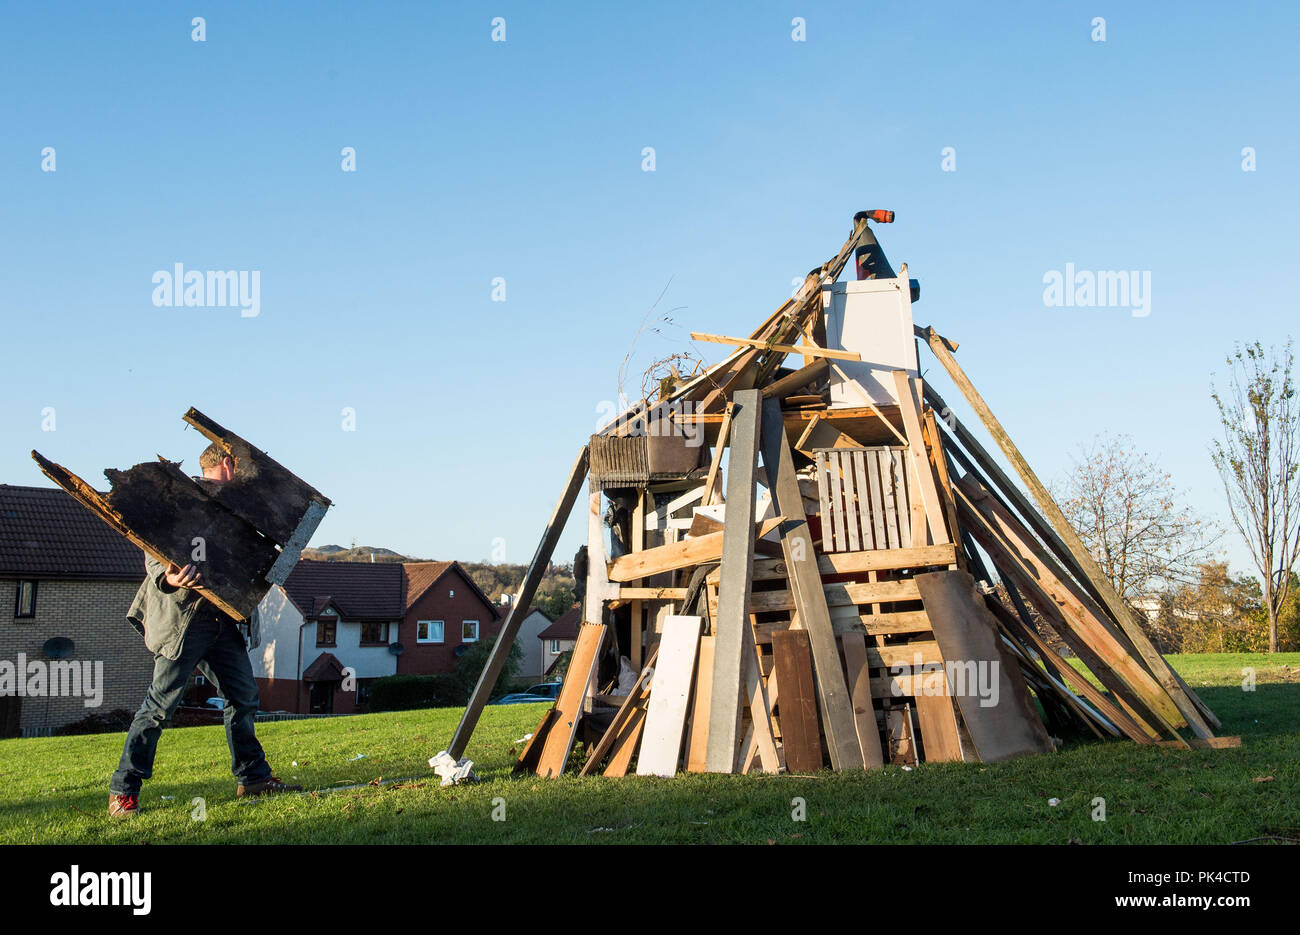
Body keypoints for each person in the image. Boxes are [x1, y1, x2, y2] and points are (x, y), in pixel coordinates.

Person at [108, 443, 301, 818]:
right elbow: (154, 548)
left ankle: (254, 778)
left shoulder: (244, 509)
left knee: (243, 699)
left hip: (224, 619)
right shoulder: (179, 499)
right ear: (229, 464)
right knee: (160, 707)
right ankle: (123, 790)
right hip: (185, 622)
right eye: (243, 467)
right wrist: (168, 576)